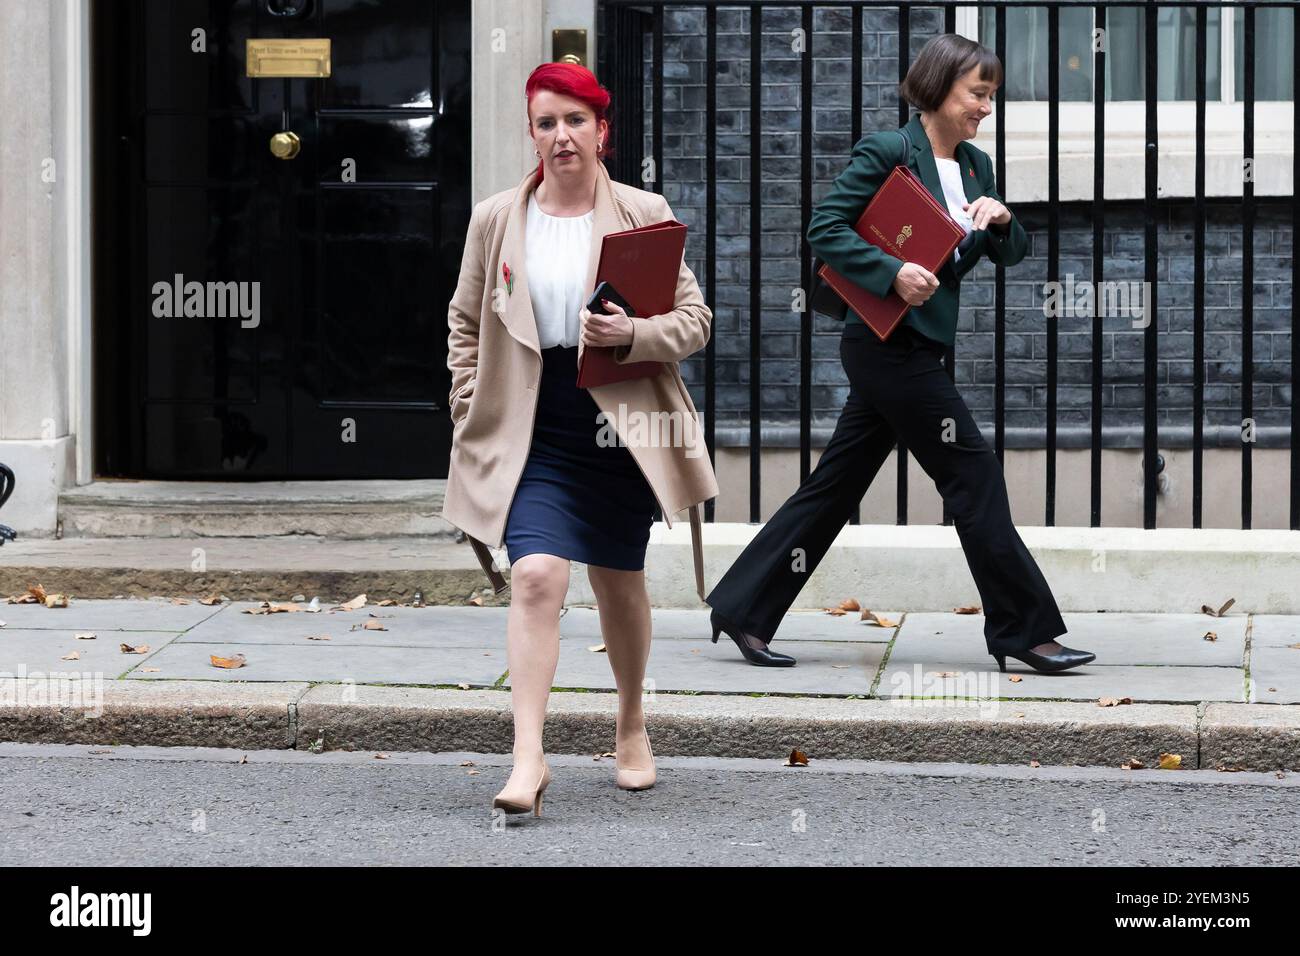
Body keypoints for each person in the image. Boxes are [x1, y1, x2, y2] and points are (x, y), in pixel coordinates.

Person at [705, 34, 1095, 676]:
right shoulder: (891, 151)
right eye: (978, 93)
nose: (985, 107)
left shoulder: (974, 166)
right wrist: (892, 272)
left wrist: (1001, 222)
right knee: (973, 475)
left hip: (924, 348)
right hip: (886, 347)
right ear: (939, 88)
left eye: (991, 96)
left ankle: (744, 608)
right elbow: (825, 228)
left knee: (835, 485)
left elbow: (1010, 250)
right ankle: (1025, 631)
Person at [441, 61, 718, 817]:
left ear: (602, 130)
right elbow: (465, 322)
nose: (561, 136)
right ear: (531, 133)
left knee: (617, 580)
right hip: (532, 422)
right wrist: (469, 402)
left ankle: (631, 723)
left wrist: (634, 333)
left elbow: (695, 321)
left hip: (616, 425)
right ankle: (528, 755)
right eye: (545, 122)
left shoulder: (641, 210)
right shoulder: (497, 217)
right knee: (535, 575)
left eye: (575, 120)